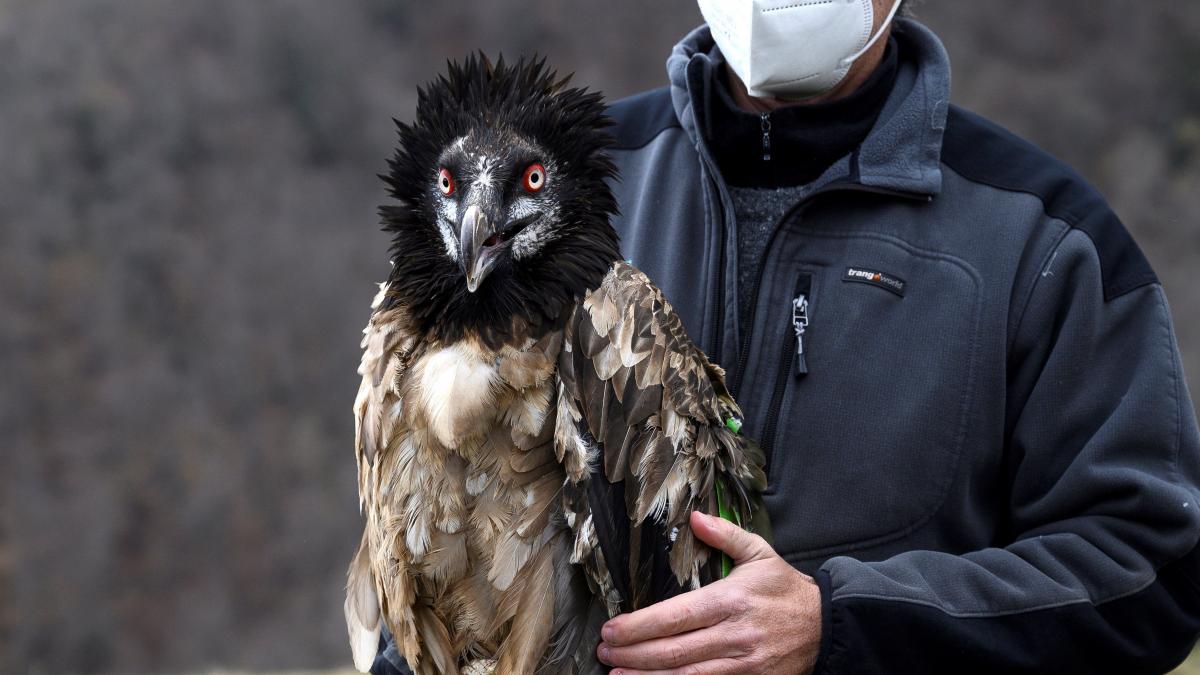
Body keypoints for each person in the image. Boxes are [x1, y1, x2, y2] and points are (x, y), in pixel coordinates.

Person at [373, 1, 1200, 672]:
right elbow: (437, 540)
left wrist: (844, 623)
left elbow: (1150, 576)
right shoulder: (566, 181)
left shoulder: (1043, 238)